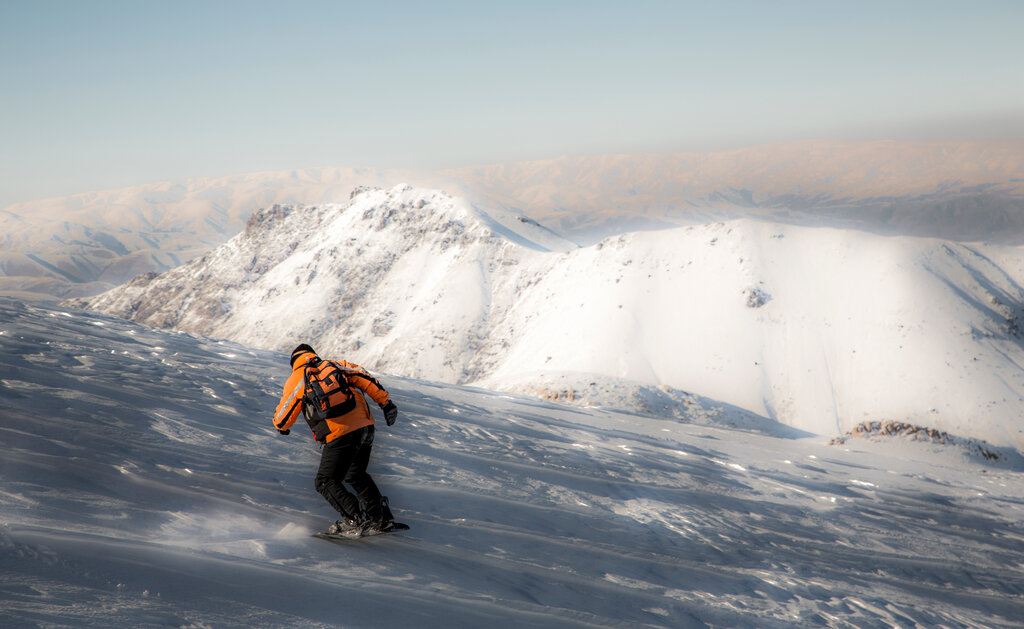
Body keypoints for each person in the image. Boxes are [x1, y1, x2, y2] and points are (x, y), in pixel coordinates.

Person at [273, 343, 400, 535]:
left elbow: (284, 415)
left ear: (293, 362)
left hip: (341, 433)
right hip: (366, 427)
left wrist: (281, 427)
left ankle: (355, 519)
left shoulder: (298, 378)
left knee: (324, 481)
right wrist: (386, 403)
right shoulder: (334, 365)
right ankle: (381, 517)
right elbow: (364, 376)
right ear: (313, 355)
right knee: (355, 473)